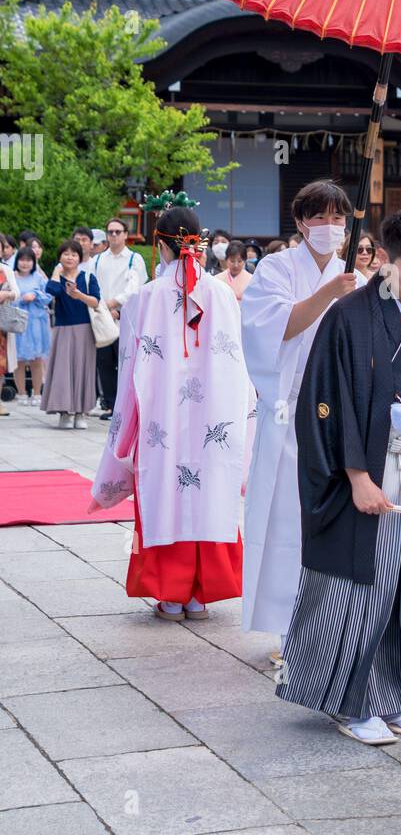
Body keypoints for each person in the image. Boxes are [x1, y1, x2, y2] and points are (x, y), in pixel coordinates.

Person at [275, 207, 401, 745]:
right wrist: (357, 475)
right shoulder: (348, 317)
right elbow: (324, 402)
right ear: (383, 260)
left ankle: (399, 697)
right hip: (364, 473)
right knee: (365, 585)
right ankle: (351, 701)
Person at [90, 195, 249, 620]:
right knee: (211, 489)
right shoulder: (224, 295)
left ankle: (171, 593)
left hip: (162, 422)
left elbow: (129, 376)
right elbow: (238, 368)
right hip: (213, 418)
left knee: (165, 494)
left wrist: (121, 436)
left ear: (160, 246)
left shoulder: (143, 299)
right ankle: (201, 594)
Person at [241, 181, 365, 655]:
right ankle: (284, 622)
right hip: (289, 406)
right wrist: (329, 294)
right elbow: (274, 328)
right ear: (299, 222)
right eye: (320, 217)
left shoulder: (354, 275)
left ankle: (326, 623)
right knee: (285, 516)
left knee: (331, 518)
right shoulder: (275, 268)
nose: (330, 228)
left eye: (339, 219)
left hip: (336, 412)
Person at [92, 218, 150, 420]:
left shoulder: (135, 259)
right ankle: (110, 405)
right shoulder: (98, 260)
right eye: (110, 232)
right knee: (105, 363)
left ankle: (127, 407)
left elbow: (135, 289)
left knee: (127, 363)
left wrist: (114, 305)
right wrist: (103, 307)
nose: (114, 235)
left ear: (126, 234)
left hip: (125, 318)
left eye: (118, 231)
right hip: (102, 319)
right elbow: (91, 286)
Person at [41, 241, 100, 429]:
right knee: (62, 370)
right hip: (62, 328)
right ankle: (64, 412)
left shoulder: (88, 278)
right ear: (60, 257)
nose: (69, 257)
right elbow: (51, 290)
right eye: (65, 254)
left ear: (79, 257)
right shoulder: (58, 278)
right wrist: (57, 273)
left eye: (73, 254)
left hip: (85, 328)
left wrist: (79, 295)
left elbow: (96, 301)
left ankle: (81, 413)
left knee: (83, 369)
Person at [11, 245, 51, 406]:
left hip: (36, 323)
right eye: (22, 260)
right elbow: (7, 296)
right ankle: (21, 393)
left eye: (29, 260)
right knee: (18, 360)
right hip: (17, 321)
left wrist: (35, 295)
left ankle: (36, 393)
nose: (25, 263)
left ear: (33, 262)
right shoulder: (11, 277)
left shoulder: (39, 278)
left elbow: (48, 296)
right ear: (17, 261)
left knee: (36, 359)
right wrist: (21, 298)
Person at [0, 257, 18, 418]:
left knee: (0, 364)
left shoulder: (5, 269)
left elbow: (17, 293)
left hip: (1, 322)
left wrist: (6, 294)